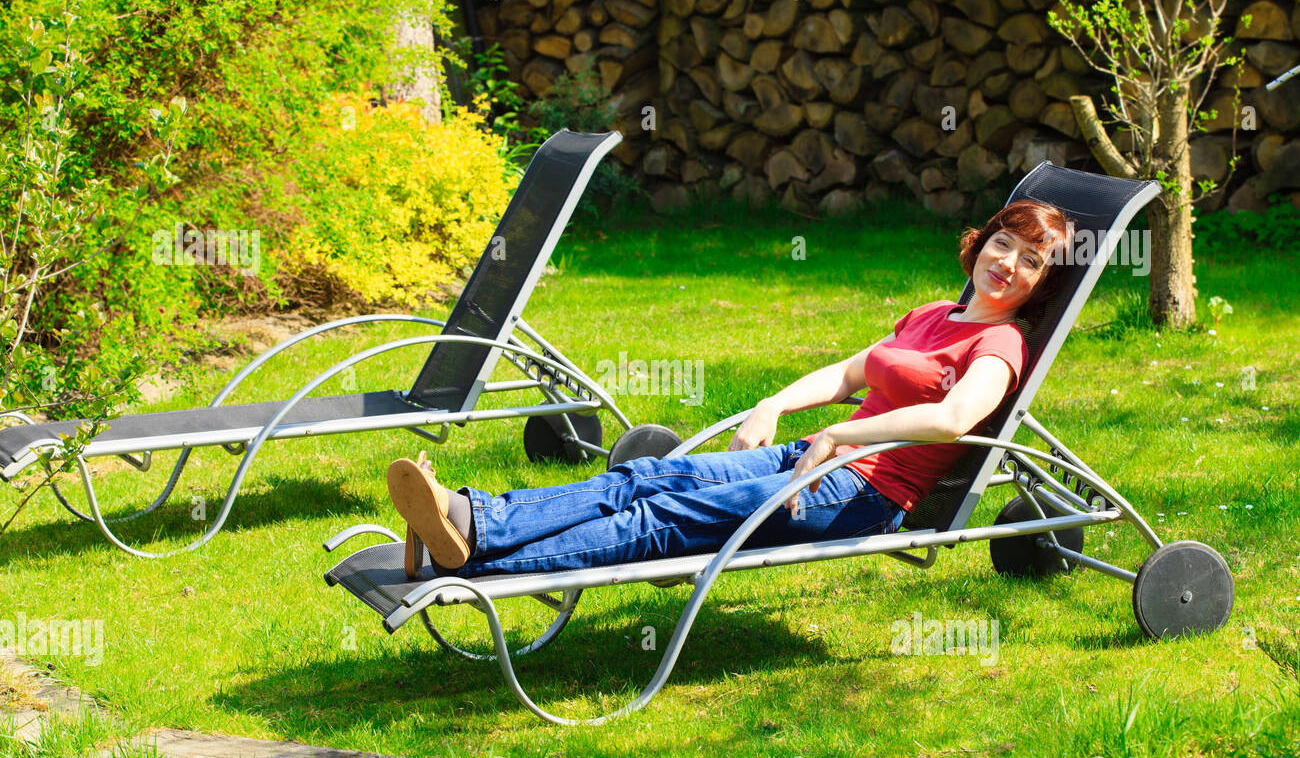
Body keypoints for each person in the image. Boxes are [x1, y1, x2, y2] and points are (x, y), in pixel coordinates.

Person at [385, 199, 1076, 580]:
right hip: (810, 457)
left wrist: (842, 435)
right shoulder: (934, 315)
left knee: (667, 519)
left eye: (1031, 261)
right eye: (1002, 245)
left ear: (1042, 283)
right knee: (646, 477)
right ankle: (472, 519)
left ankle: (474, 564)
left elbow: (955, 419)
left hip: (860, 492)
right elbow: (847, 375)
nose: (1008, 264)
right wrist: (773, 404)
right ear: (980, 243)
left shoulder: (1001, 343)